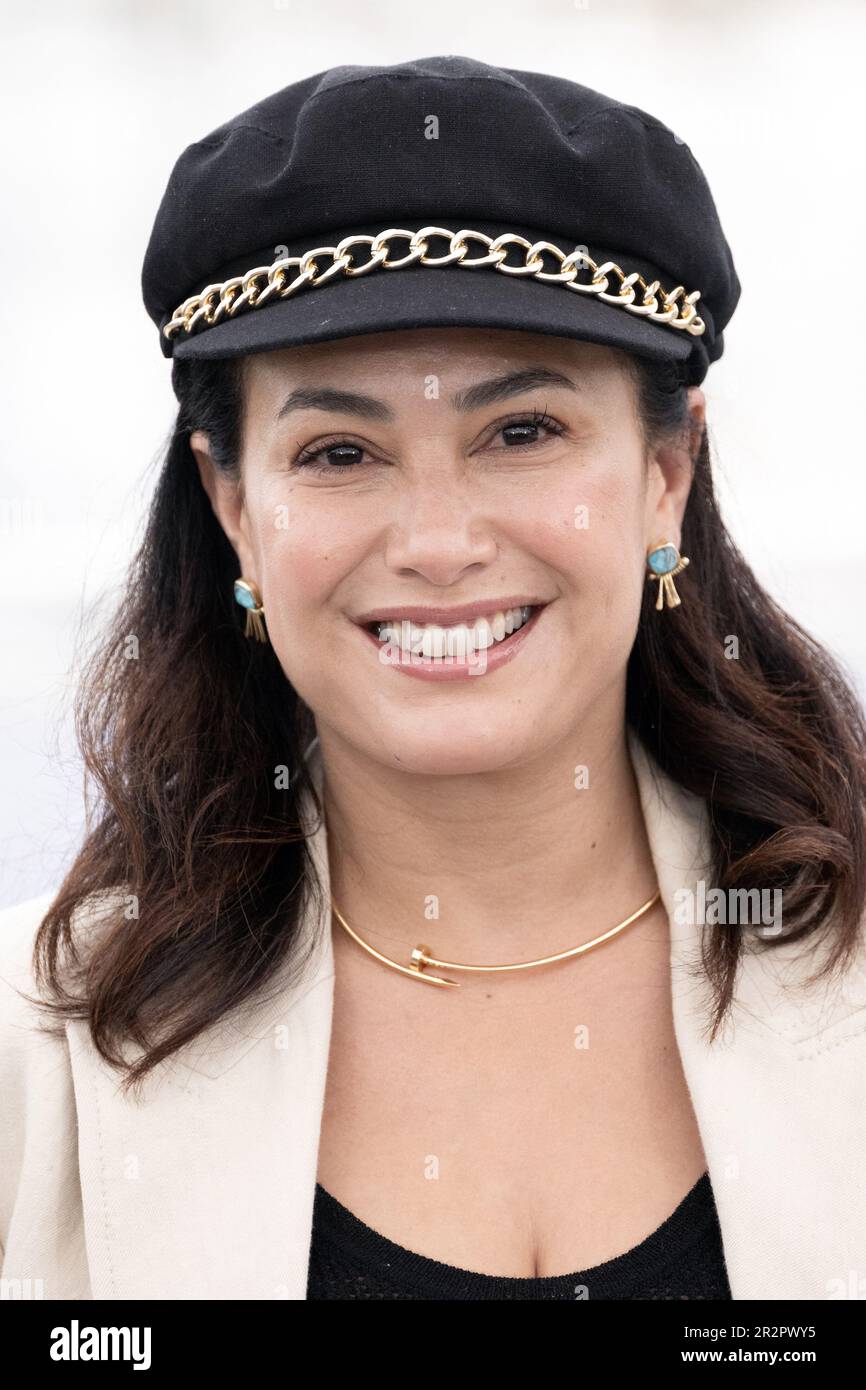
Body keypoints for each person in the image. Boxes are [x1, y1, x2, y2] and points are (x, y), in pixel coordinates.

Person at [2, 55, 866, 1302]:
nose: (438, 541)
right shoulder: (32, 1054)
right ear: (232, 504)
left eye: (520, 432)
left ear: (665, 477)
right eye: (340, 450)